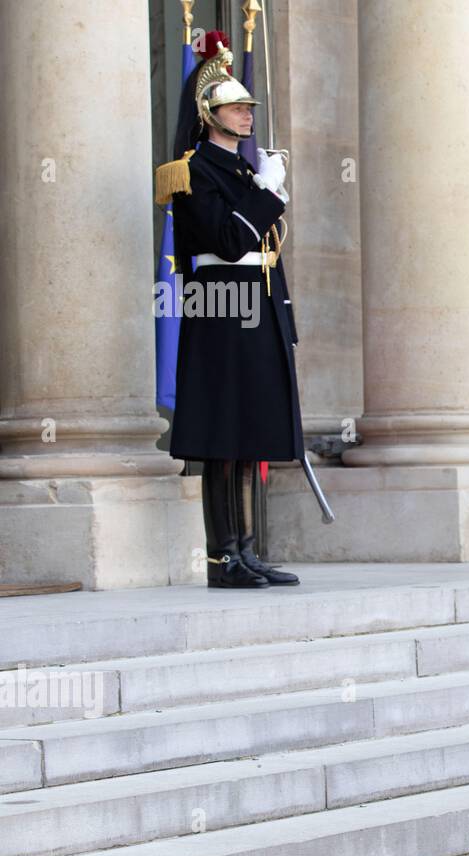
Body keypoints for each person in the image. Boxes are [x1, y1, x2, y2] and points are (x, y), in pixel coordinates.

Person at [155, 32, 302, 588]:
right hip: (220, 308)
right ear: (209, 112)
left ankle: (247, 549)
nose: (246, 115)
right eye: (237, 107)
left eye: (247, 108)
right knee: (222, 435)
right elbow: (231, 238)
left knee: (249, 431)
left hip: (254, 306)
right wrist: (267, 191)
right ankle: (222, 558)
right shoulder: (193, 171)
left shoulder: (241, 170)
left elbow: (267, 254)